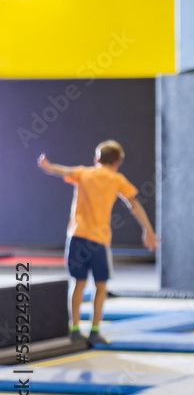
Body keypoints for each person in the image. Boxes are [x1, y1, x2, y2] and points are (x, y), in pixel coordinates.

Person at [37, 141, 158, 346]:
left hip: (77, 236)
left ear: (96, 160)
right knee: (101, 286)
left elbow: (62, 170)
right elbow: (134, 204)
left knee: (78, 284)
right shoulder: (117, 179)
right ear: (117, 163)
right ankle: (95, 330)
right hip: (99, 241)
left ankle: (74, 329)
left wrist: (47, 166)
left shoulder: (84, 173)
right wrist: (148, 230)